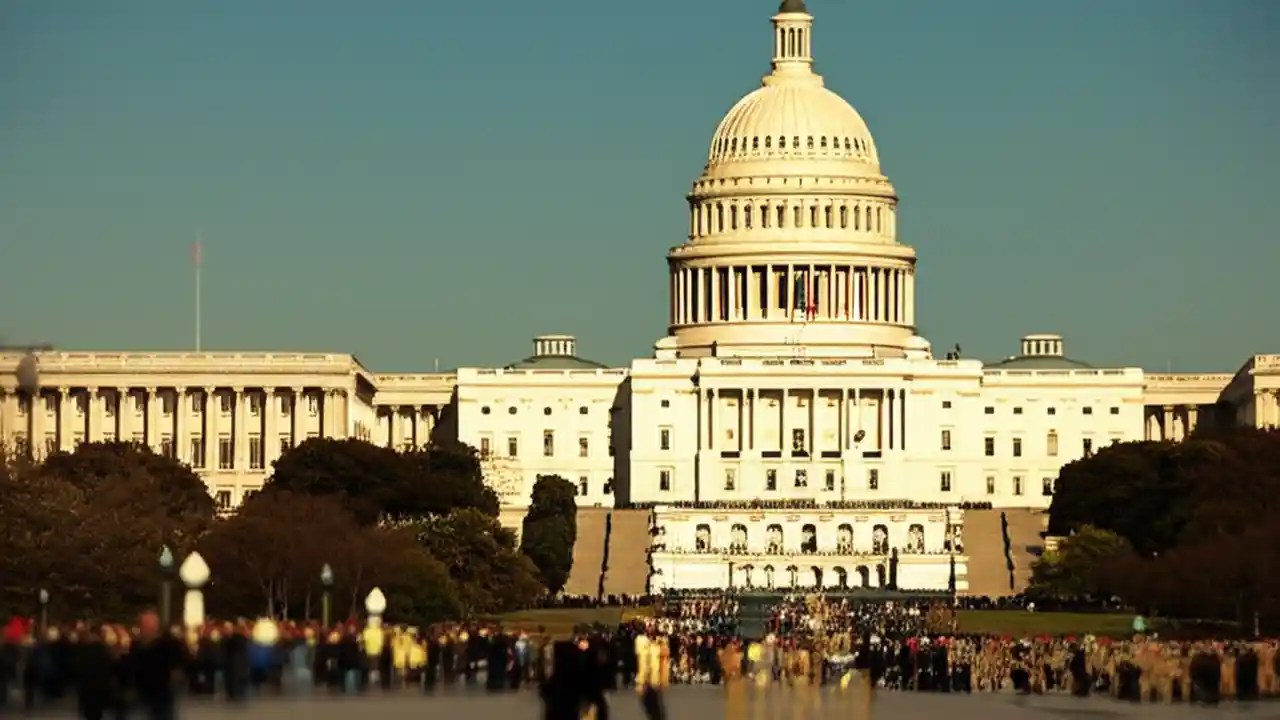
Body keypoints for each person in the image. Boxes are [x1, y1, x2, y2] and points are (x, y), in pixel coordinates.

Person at [130, 610, 184, 720]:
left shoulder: (169, 645)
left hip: (162, 694)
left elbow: (176, 669)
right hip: (142, 694)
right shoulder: (136, 647)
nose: (149, 629)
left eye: (151, 625)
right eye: (145, 625)